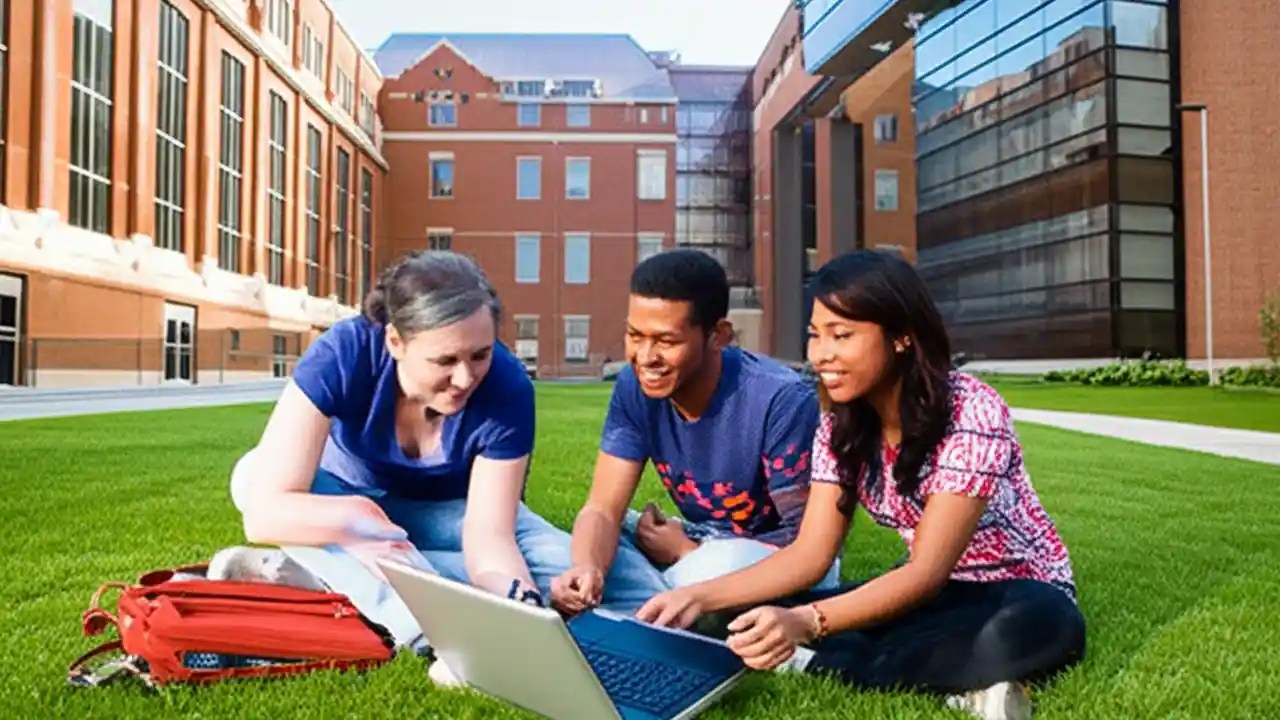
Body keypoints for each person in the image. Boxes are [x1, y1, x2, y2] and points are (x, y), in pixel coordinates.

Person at [634, 250, 1086, 720]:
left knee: (1037, 626)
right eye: (815, 335)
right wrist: (699, 596)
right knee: (756, 609)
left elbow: (926, 571)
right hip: (928, 595)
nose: (821, 354)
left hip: (1014, 592)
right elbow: (810, 555)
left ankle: (818, 662)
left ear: (901, 338)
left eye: (842, 335)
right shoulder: (840, 425)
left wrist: (807, 624)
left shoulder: (971, 410)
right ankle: (954, 687)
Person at [214, 250, 669, 669]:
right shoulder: (344, 353)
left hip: (451, 515)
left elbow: (488, 537)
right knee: (251, 474)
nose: (465, 377)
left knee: (598, 577)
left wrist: (522, 607)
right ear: (395, 341)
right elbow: (265, 512)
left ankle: (322, 574)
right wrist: (358, 521)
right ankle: (431, 635)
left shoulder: (506, 387)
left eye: (480, 354)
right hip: (343, 504)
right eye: (445, 359)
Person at [550, 249, 840, 619]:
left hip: (770, 560)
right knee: (581, 545)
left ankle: (649, 603)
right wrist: (586, 567)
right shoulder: (633, 386)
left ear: (718, 335)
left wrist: (687, 552)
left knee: (713, 566)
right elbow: (603, 508)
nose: (645, 357)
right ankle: (651, 603)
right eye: (634, 335)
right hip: (702, 541)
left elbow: (809, 548)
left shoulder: (780, 400)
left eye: (666, 342)